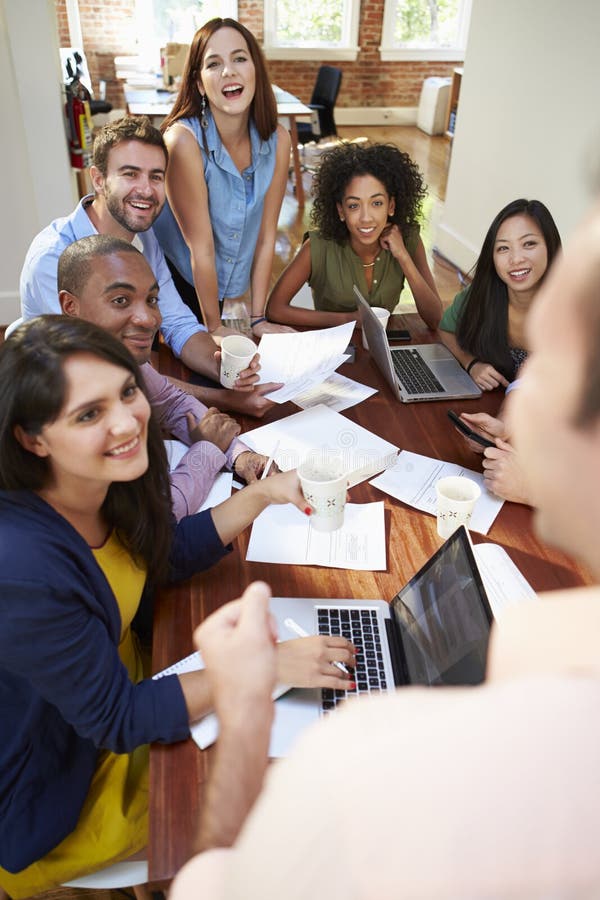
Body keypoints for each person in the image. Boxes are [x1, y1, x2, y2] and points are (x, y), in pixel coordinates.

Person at [168, 196, 600, 897]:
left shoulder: (361, 768)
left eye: (554, 368)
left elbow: (214, 883)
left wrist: (247, 715)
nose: (523, 392)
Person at [0, 316, 356, 897]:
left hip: (125, 684)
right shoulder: (23, 568)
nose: (127, 421)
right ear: (32, 438)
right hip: (65, 773)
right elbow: (117, 720)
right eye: (89, 414)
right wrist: (259, 669)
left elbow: (159, 557)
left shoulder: (100, 483)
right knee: (288, 804)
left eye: (128, 391)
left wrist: (263, 493)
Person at [19, 115, 278, 417]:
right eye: (130, 174)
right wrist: (225, 399)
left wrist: (219, 366)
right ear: (99, 179)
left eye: (156, 177)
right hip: (60, 405)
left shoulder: (144, 236)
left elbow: (178, 322)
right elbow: (107, 371)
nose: (146, 190)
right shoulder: (53, 258)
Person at [57, 235, 270, 519]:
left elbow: (170, 403)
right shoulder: (65, 404)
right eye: (121, 300)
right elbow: (155, 515)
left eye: (152, 300)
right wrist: (208, 450)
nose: (149, 320)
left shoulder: (115, 356)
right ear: (70, 306)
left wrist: (240, 455)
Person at [153, 18, 294, 338]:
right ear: (200, 84)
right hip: (176, 283)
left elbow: (266, 235)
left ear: (255, 69)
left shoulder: (278, 140)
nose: (228, 71)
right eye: (214, 64)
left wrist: (258, 320)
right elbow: (199, 249)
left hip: (221, 287)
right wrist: (214, 326)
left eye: (239, 58)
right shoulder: (183, 142)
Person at [265, 142, 443, 330]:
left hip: (385, 348)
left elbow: (435, 319)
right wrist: (348, 319)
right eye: (353, 206)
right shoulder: (317, 247)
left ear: (391, 206)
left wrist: (404, 257)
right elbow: (275, 310)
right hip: (330, 349)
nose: (366, 218)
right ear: (341, 211)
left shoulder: (408, 240)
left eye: (376, 203)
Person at [439, 198, 561, 391]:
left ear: (550, 247)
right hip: (492, 407)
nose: (516, 259)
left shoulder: (574, 308)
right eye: (503, 248)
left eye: (529, 244)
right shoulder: (482, 293)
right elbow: (446, 330)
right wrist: (472, 364)